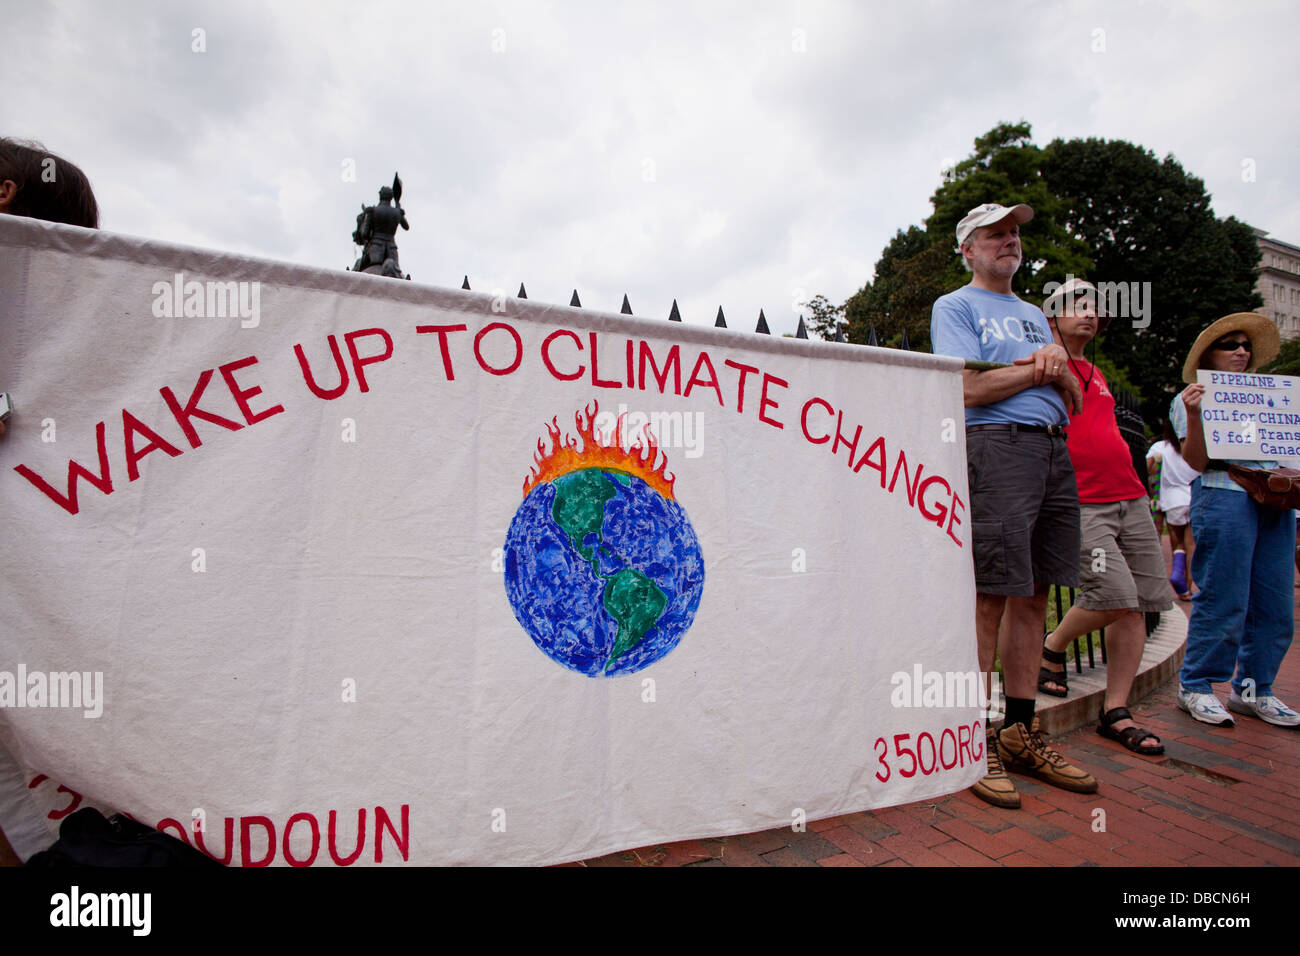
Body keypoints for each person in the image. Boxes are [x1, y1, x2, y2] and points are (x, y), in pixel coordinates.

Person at [930, 202, 1095, 809]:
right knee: (990, 594)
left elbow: (1073, 392)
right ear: (967, 249)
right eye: (993, 234)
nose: (1009, 241)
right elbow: (966, 388)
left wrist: (1049, 371)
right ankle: (974, 739)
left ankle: (1020, 730)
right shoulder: (956, 307)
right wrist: (1039, 370)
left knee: (1035, 594)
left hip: (1051, 451)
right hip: (996, 448)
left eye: (1014, 232)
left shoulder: (1031, 313)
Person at [1036, 279, 1170, 754]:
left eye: (1095, 307)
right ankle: (1052, 645)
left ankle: (1116, 710)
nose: (1090, 313)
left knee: (1139, 604)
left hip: (1130, 497)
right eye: (1077, 306)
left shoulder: (1096, 371)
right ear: (1051, 316)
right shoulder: (1043, 361)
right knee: (1114, 594)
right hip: (1082, 500)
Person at [1172, 314, 1298, 727]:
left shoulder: (1273, 395)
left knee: (1276, 602)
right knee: (1225, 597)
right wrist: (1194, 415)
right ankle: (1197, 684)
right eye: (1231, 345)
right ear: (1209, 354)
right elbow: (1194, 461)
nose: (1241, 351)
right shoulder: (1191, 396)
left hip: (1276, 500)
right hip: (1224, 491)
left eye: (1246, 345)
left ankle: (1253, 689)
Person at [1147, 419, 1197, 599]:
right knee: (1191, 544)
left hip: (1173, 501)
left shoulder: (1161, 447)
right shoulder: (1194, 445)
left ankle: (1179, 579)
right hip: (1193, 497)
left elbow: (1148, 468)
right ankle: (1187, 588)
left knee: (1178, 544)